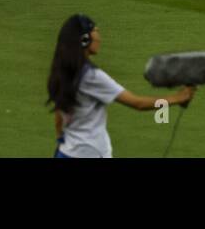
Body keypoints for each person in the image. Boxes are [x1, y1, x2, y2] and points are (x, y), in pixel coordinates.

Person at [47, 14, 194, 159]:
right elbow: (138, 104)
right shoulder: (91, 77)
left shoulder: (64, 71)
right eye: (96, 31)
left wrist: (61, 138)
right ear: (85, 39)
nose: (99, 37)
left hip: (65, 152)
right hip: (90, 153)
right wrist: (179, 97)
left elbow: (59, 114)